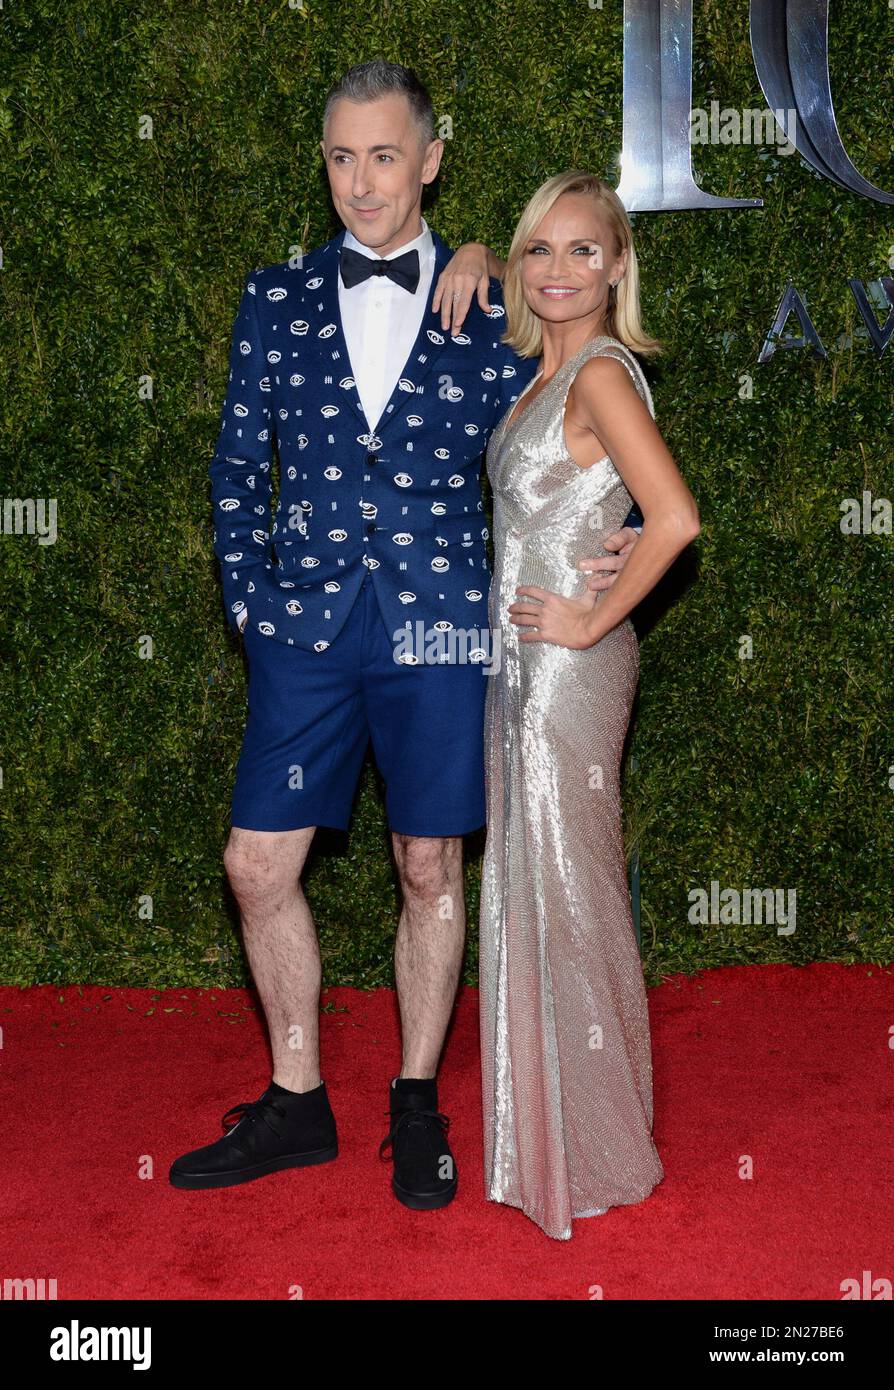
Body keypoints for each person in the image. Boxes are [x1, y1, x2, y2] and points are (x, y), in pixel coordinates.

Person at [169, 62, 643, 1211]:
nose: (361, 182)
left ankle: (417, 1100)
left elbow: (580, 405)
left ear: (430, 161)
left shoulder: (496, 305)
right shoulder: (271, 299)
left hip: (440, 628)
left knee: (427, 865)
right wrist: (253, 607)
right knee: (255, 864)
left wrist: (620, 531)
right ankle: (296, 1100)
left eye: (386, 156)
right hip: (305, 632)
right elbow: (235, 472)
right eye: (340, 157)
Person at [478, 170, 700, 1240]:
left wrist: (588, 618)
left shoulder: (601, 376)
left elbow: (675, 518)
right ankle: (563, 1134)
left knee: (570, 889)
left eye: (582, 250)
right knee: (543, 883)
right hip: (520, 668)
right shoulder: (545, 373)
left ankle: (601, 1146)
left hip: (565, 669)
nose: (558, 270)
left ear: (618, 265)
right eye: (538, 250)